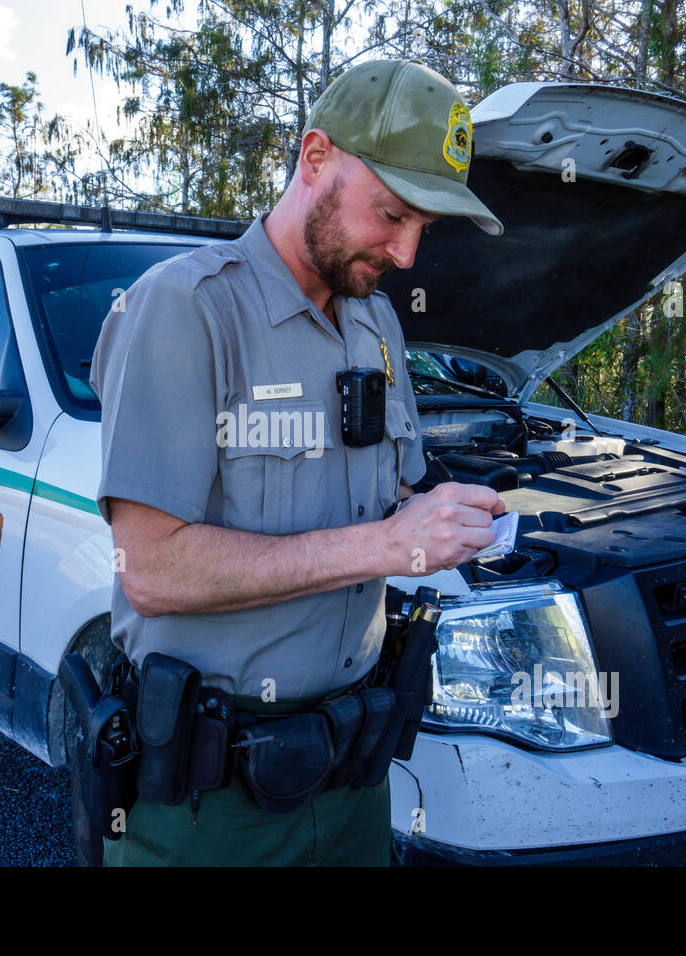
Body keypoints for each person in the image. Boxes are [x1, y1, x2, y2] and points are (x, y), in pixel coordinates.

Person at [88, 58, 507, 866]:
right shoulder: (186, 307)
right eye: (392, 213)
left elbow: (396, 488)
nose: (409, 252)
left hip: (355, 771)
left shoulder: (376, 321)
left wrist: (453, 511)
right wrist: (390, 547)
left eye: (427, 226)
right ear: (314, 158)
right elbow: (151, 569)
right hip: (214, 806)